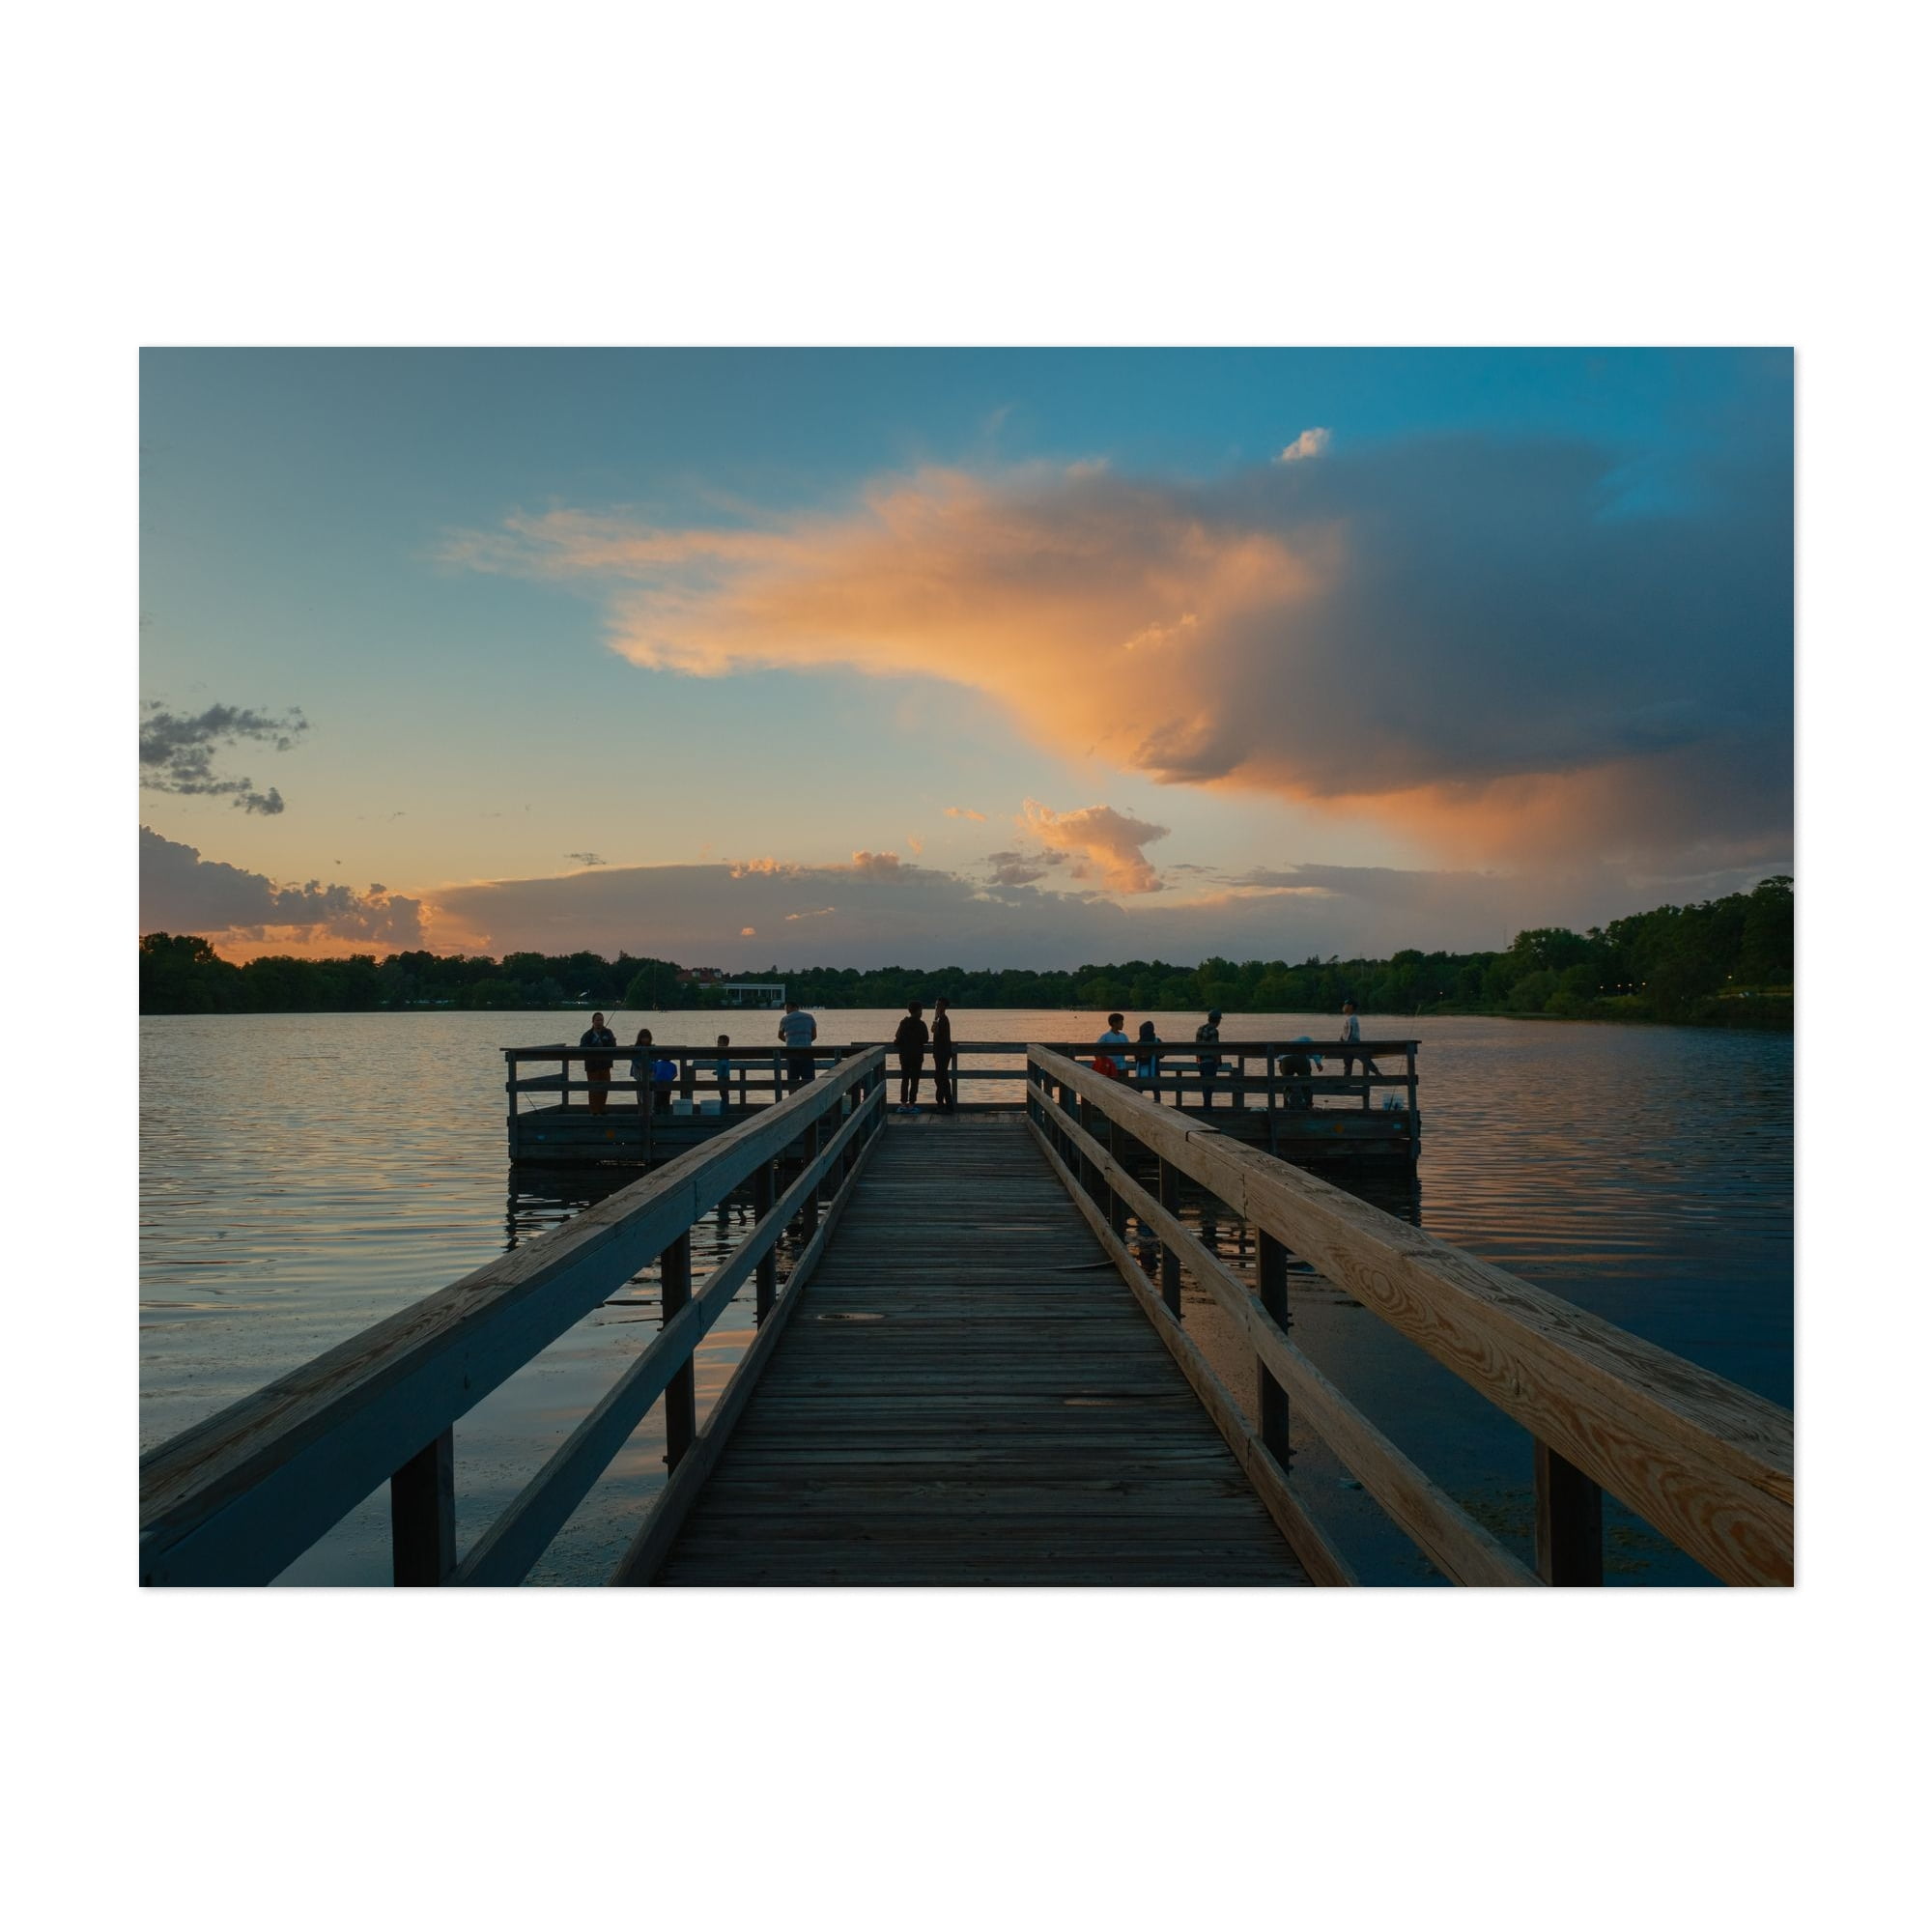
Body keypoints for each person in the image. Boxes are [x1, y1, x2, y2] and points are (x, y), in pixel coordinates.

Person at [894, 1002, 929, 1112]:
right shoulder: (921, 1024)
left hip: (904, 1056)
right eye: (921, 1010)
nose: (921, 1012)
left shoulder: (903, 1023)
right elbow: (925, 1039)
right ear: (918, 1011)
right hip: (917, 1057)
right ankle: (912, 1104)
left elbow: (897, 1038)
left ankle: (903, 1104)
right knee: (914, 1081)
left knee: (905, 1080)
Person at [580, 1011, 617, 1113]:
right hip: (592, 1066)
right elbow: (582, 1047)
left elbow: (613, 1045)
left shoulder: (608, 1032)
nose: (599, 1022)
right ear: (593, 1021)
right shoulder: (587, 1035)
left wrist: (605, 1042)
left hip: (605, 1065)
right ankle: (594, 1111)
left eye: (601, 1020)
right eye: (597, 1020)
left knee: (604, 1089)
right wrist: (593, 1045)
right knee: (593, 1090)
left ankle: (602, 1109)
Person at [1339, 999, 1379, 1088]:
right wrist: (1341, 1039)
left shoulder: (1352, 1018)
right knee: (1348, 1063)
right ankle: (1346, 1082)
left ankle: (1377, 1073)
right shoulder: (1350, 1018)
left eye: (1345, 1005)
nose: (1344, 1007)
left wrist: (1346, 1042)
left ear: (1350, 1007)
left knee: (1363, 1059)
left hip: (1352, 1043)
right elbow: (1345, 1032)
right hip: (1350, 1043)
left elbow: (1350, 1031)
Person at [778, 1000, 817, 1092]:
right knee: (809, 1083)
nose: (786, 1011)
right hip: (807, 1053)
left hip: (791, 1054)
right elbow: (814, 1036)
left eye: (786, 1008)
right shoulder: (809, 1017)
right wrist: (805, 1041)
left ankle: (793, 1103)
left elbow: (779, 1036)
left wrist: (789, 1041)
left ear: (790, 1007)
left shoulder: (785, 1019)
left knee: (792, 1082)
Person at [1277, 1036, 1322, 1110]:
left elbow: (1280, 1060)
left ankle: (1286, 1106)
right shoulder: (1308, 1039)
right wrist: (1318, 1063)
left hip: (1285, 1060)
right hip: (1300, 1058)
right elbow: (1314, 1051)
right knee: (1306, 1083)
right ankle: (1308, 1105)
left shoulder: (1293, 1041)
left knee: (1286, 1084)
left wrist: (1283, 1071)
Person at [930, 998, 955, 1114]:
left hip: (943, 1053)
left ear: (944, 1007)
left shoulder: (944, 1019)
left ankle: (946, 1105)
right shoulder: (940, 1019)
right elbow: (933, 1030)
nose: (937, 1007)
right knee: (941, 1078)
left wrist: (936, 1018)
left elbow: (936, 1032)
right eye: (936, 1005)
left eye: (939, 1005)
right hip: (939, 1053)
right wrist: (935, 1018)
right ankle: (942, 1104)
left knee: (941, 1079)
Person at [1194, 1009, 1223, 1108]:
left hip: (1200, 1061)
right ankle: (1208, 1107)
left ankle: (1205, 1106)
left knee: (1204, 1085)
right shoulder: (1214, 1031)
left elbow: (1196, 1045)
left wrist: (1198, 1058)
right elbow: (1215, 1048)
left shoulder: (1200, 1028)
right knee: (1210, 1086)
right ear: (1218, 1020)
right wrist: (1218, 1061)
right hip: (1210, 1062)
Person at [1094, 1012, 1130, 1080]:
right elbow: (1096, 1051)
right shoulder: (1105, 1037)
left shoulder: (1124, 1036)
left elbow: (1130, 1049)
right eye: (1121, 1022)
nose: (1123, 1024)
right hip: (1111, 1068)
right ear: (1114, 1023)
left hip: (1123, 1067)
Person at [628, 1028, 655, 1111]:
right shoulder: (635, 1048)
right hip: (639, 1074)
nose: (645, 1040)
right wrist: (641, 1065)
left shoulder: (653, 1048)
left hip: (650, 1075)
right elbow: (634, 1060)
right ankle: (641, 1111)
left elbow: (655, 1060)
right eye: (643, 1038)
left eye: (647, 1038)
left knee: (651, 1094)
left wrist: (648, 1066)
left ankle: (650, 1110)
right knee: (640, 1094)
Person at [1134, 1020, 1163, 1085]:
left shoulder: (1139, 1042)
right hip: (1155, 1073)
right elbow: (1162, 1055)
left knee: (1139, 1089)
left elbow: (1136, 1058)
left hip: (1141, 1073)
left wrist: (1143, 1057)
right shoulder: (1157, 1041)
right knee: (1156, 1090)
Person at [714, 1034, 733, 1106]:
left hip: (724, 1076)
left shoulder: (724, 1054)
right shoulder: (721, 1054)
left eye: (719, 1042)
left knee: (724, 1093)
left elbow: (724, 1065)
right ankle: (724, 1105)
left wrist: (721, 1074)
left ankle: (725, 1107)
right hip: (721, 1075)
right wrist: (717, 1072)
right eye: (718, 1042)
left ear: (725, 1044)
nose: (718, 1044)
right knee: (722, 1093)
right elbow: (721, 1065)